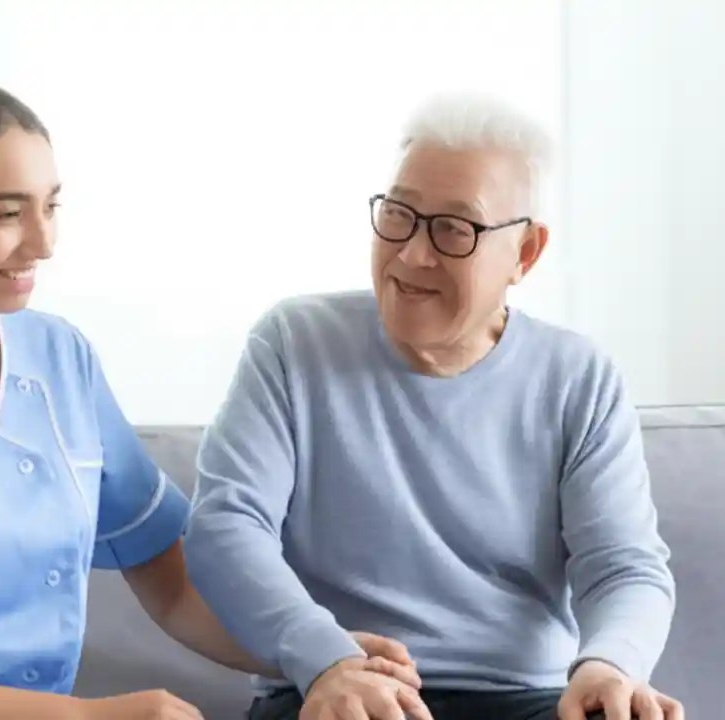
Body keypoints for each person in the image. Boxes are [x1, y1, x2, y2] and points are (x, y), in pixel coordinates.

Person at [0, 74, 418, 720]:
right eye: (6, 213)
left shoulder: (60, 359)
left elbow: (173, 582)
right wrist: (86, 716)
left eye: (51, 206)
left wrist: (317, 653)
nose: (43, 243)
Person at [185, 94, 687, 720]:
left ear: (525, 253)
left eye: (454, 229)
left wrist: (610, 666)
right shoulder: (294, 343)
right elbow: (226, 527)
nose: (412, 255)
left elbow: (624, 567)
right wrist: (323, 657)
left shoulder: (577, 378)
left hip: (524, 700)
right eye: (399, 215)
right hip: (338, 684)